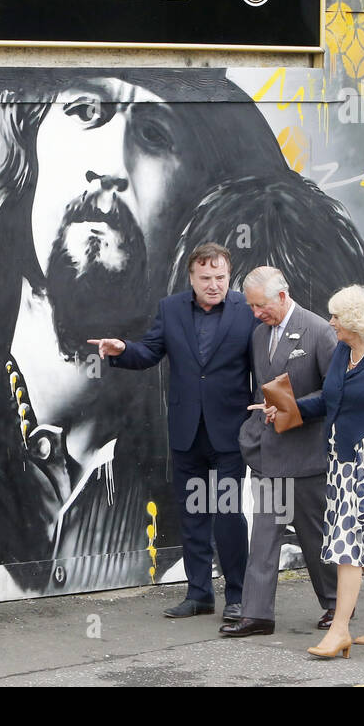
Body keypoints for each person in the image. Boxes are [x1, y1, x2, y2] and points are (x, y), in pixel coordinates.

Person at [0, 67, 357, 593]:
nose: (109, 168)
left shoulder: (167, 449)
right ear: (28, 143)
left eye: (155, 136)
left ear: (196, 202)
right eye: (86, 112)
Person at [92, 242, 256, 621]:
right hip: (186, 432)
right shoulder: (171, 309)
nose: (214, 284)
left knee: (228, 513)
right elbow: (149, 352)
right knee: (192, 514)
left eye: (221, 277)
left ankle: (238, 594)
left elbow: (260, 366)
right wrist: (121, 350)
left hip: (230, 434)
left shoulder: (246, 312)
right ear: (192, 278)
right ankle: (199, 593)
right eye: (206, 278)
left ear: (229, 277)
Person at [257, 285, 364, 658]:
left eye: (337, 317)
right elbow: (328, 400)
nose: (331, 323)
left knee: (349, 547)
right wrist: (286, 409)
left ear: (356, 320)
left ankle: (339, 630)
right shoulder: (343, 352)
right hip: (342, 464)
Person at [221, 266, 338, 638]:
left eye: (261, 306)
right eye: (252, 307)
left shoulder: (320, 330)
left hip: (307, 458)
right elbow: (263, 390)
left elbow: (335, 395)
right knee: (264, 537)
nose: (256, 314)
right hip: (269, 454)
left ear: (282, 296)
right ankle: (257, 615)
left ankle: (336, 602)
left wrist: (293, 409)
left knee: (314, 537)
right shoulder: (259, 335)